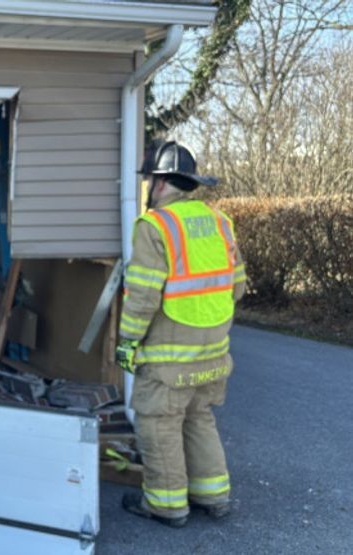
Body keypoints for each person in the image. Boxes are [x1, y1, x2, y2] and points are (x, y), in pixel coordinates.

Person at [116, 140, 247, 527]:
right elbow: (236, 286)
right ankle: (213, 495)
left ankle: (167, 505)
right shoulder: (220, 222)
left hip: (168, 357)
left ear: (158, 184)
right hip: (214, 351)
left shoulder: (155, 227)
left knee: (159, 423)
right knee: (198, 417)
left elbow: (142, 296)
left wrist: (127, 342)